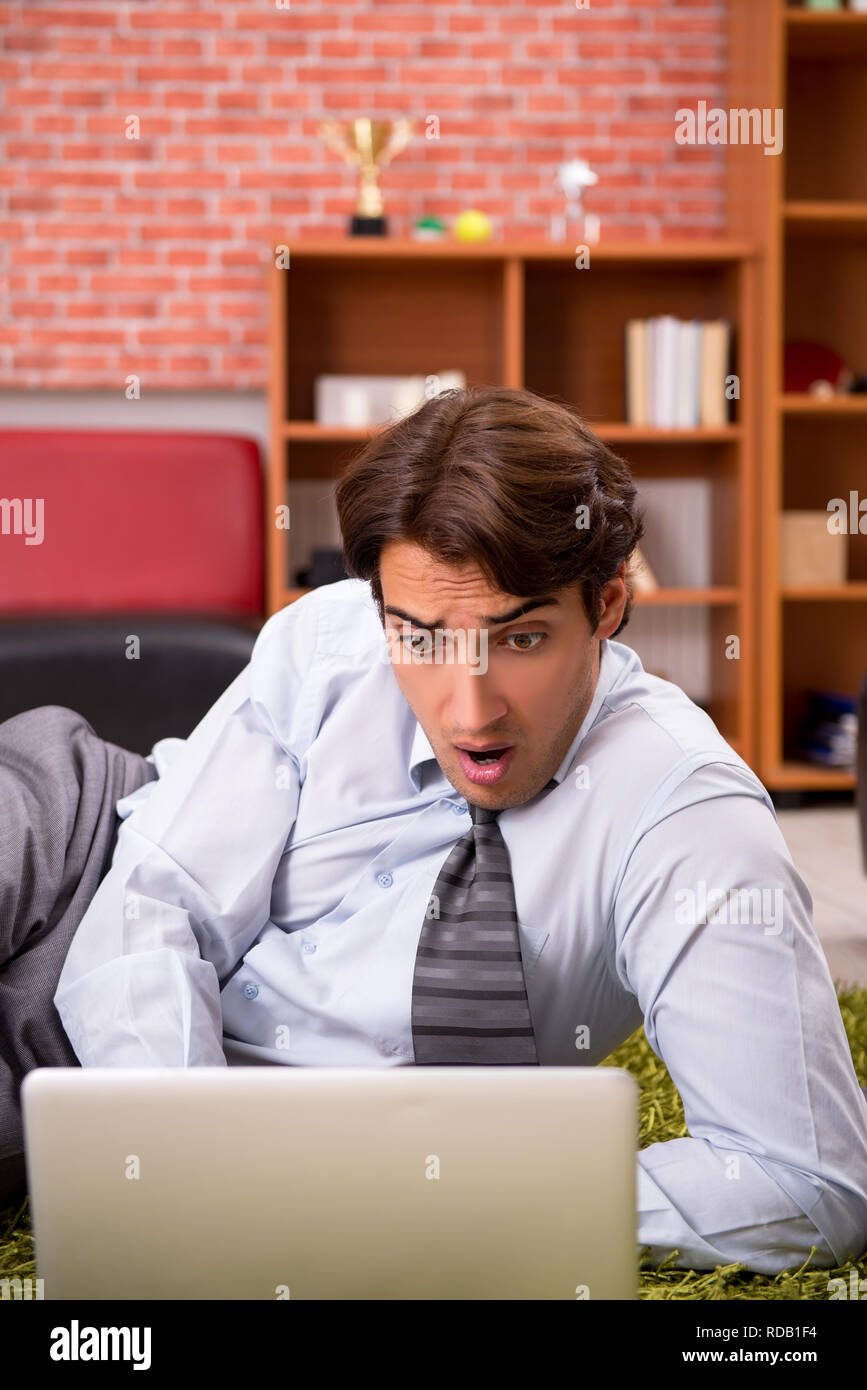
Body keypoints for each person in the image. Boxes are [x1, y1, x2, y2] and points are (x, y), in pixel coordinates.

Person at [3, 384, 867, 1277]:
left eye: (521, 639)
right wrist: (191, 1156)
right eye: (417, 638)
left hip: (59, 1061)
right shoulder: (329, 644)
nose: (467, 712)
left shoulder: (686, 817)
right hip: (83, 837)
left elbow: (803, 1180)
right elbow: (152, 900)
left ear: (607, 606)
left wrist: (432, 1195)